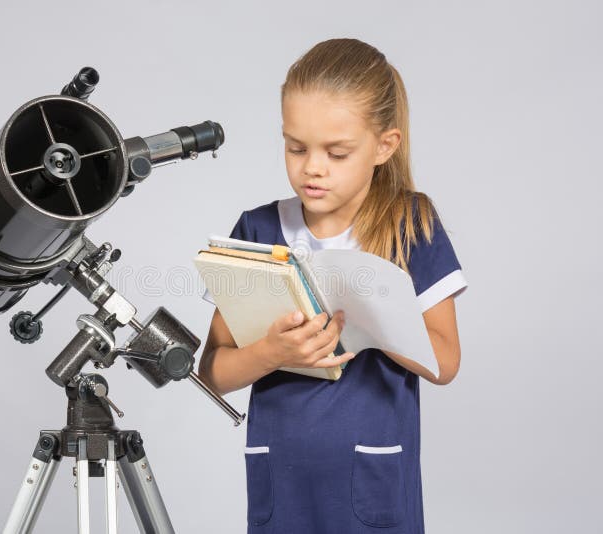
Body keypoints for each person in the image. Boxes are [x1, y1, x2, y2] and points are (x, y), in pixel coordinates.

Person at [198, 38, 468, 534]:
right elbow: (212, 371)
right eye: (295, 147)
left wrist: (374, 316)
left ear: (384, 145)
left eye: (336, 152)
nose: (312, 167)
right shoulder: (257, 230)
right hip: (281, 484)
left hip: (372, 482)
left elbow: (445, 362)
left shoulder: (411, 226)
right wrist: (273, 354)